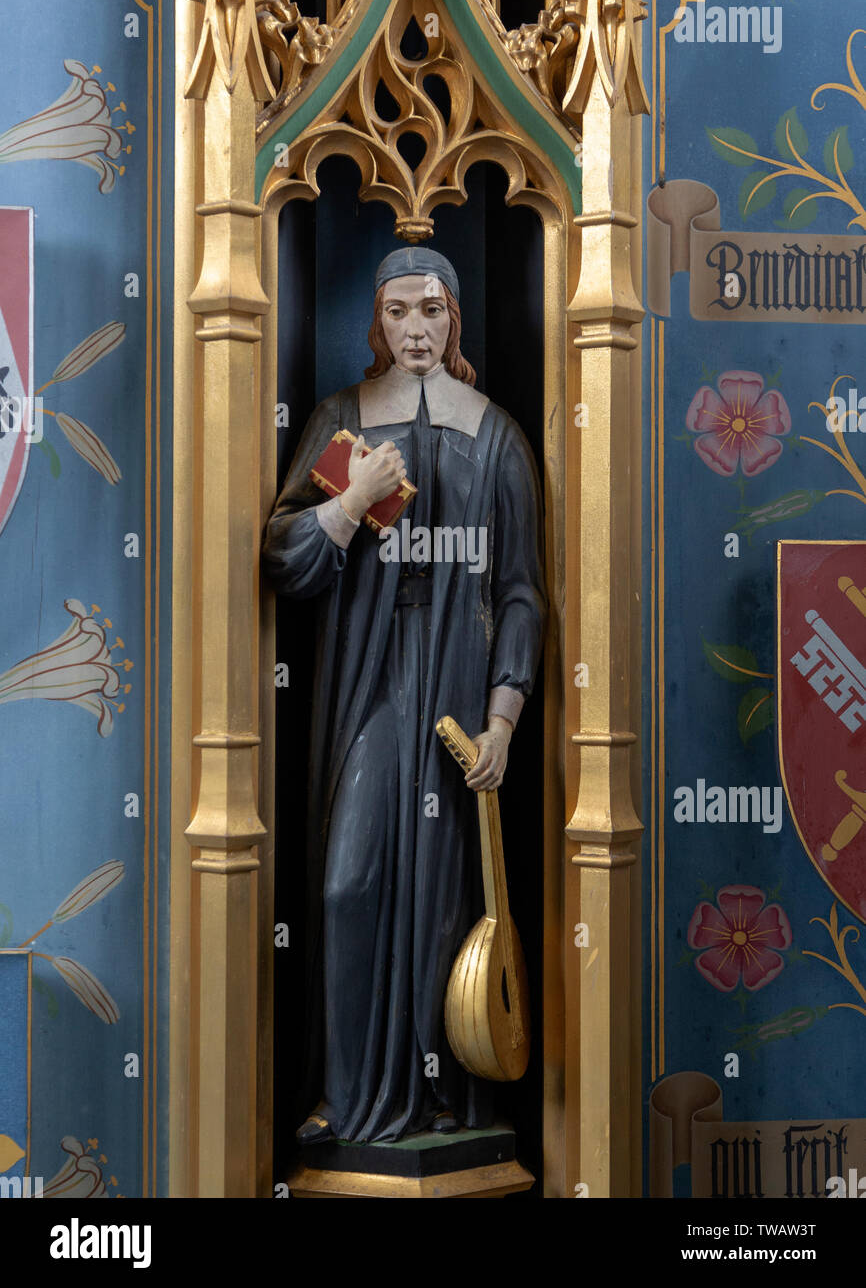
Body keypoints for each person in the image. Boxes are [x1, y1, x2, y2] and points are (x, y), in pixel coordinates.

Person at [263, 246, 546, 1144]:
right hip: (372, 683)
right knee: (350, 883)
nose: (416, 330)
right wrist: (353, 504)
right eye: (398, 313)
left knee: (444, 900)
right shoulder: (344, 424)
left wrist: (505, 719)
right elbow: (280, 556)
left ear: (455, 318)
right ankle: (350, 1099)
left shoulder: (496, 434)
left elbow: (521, 591)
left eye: (432, 311)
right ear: (376, 324)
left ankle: (440, 1097)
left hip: (461, 696)